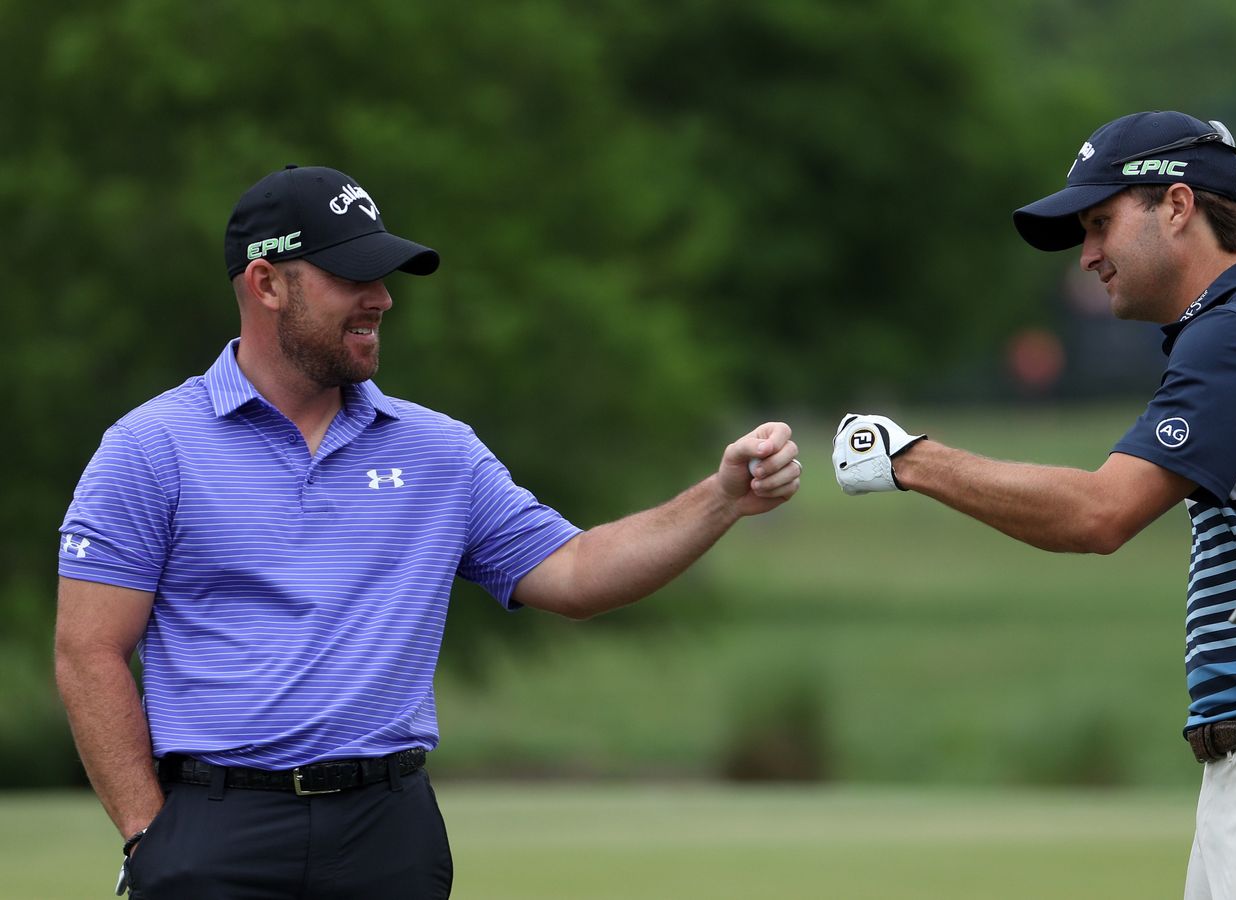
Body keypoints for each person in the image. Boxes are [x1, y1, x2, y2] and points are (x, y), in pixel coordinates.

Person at [54, 164, 802, 899]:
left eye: (383, 278)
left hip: (387, 835)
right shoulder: (151, 448)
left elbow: (575, 573)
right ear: (267, 283)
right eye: (351, 276)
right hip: (217, 830)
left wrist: (720, 499)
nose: (380, 299)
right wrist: (149, 837)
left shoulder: (438, 451)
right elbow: (89, 650)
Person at [832, 110, 1236, 900]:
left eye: (1101, 223)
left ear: (1177, 207)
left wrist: (909, 459)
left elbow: (1098, 515)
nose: (1089, 256)